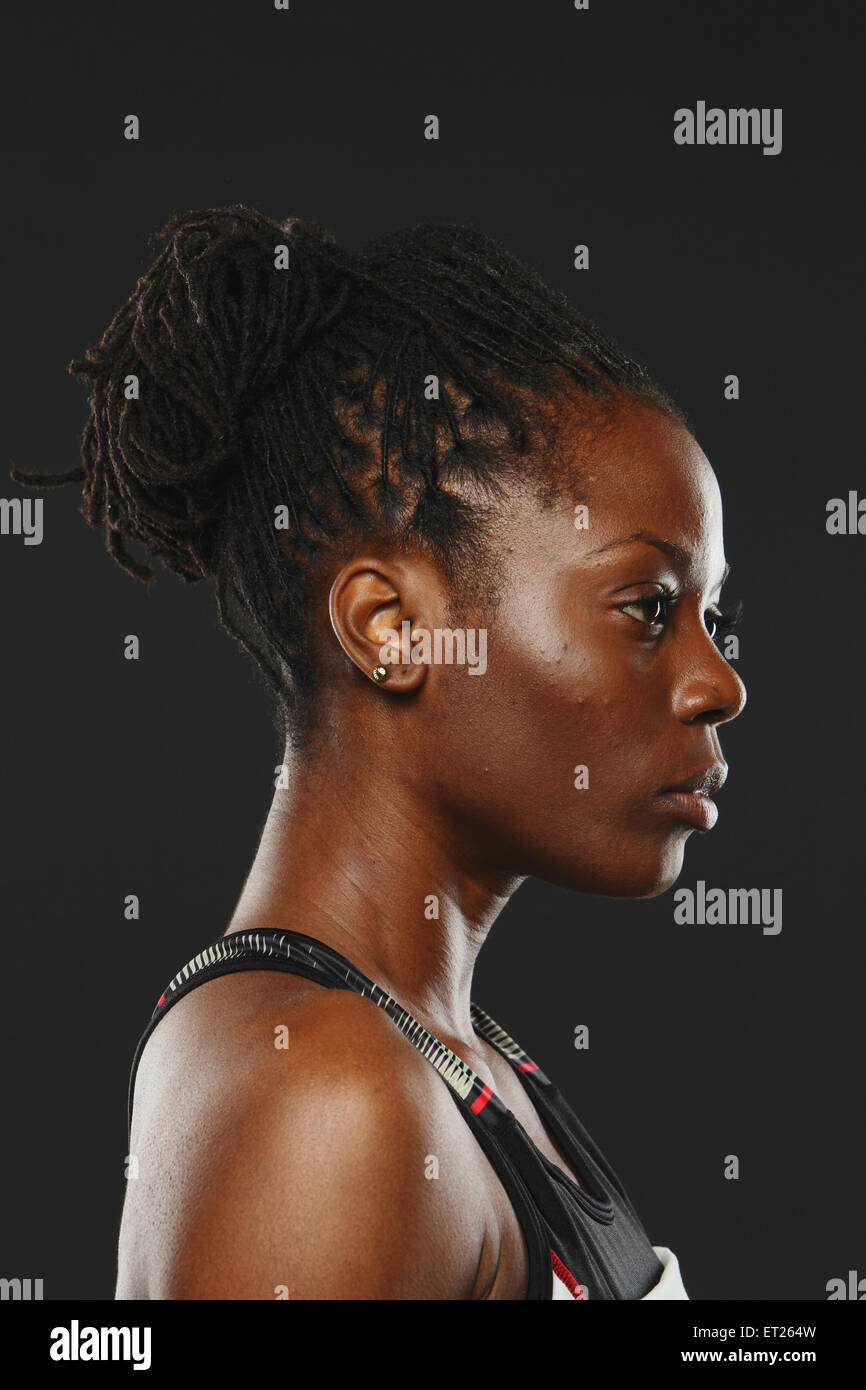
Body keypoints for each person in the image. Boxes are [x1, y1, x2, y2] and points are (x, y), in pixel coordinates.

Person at [12, 204, 746, 1299]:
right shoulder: (319, 1095)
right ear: (392, 629)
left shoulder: (458, 1064)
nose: (716, 682)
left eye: (711, 616)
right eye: (646, 607)